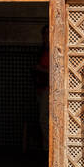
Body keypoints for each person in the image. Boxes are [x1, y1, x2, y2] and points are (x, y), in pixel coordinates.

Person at [34, 23, 50, 151]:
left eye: (47, 33)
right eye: (44, 34)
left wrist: (42, 70)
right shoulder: (42, 50)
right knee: (43, 118)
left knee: (44, 119)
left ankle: (51, 148)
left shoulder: (55, 50)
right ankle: (47, 149)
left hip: (49, 89)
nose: (45, 36)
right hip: (41, 88)